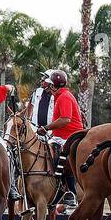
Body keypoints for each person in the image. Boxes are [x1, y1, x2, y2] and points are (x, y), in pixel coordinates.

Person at [38, 69, 86, 197]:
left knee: (59, 156)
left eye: (49, 84)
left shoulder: (64, 97)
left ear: (54, 85)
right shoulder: (59, 96)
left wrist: (46, 128)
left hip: (69, 136)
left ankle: (69, 191)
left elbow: (65, 119)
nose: (47, 86)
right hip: (60, 136)